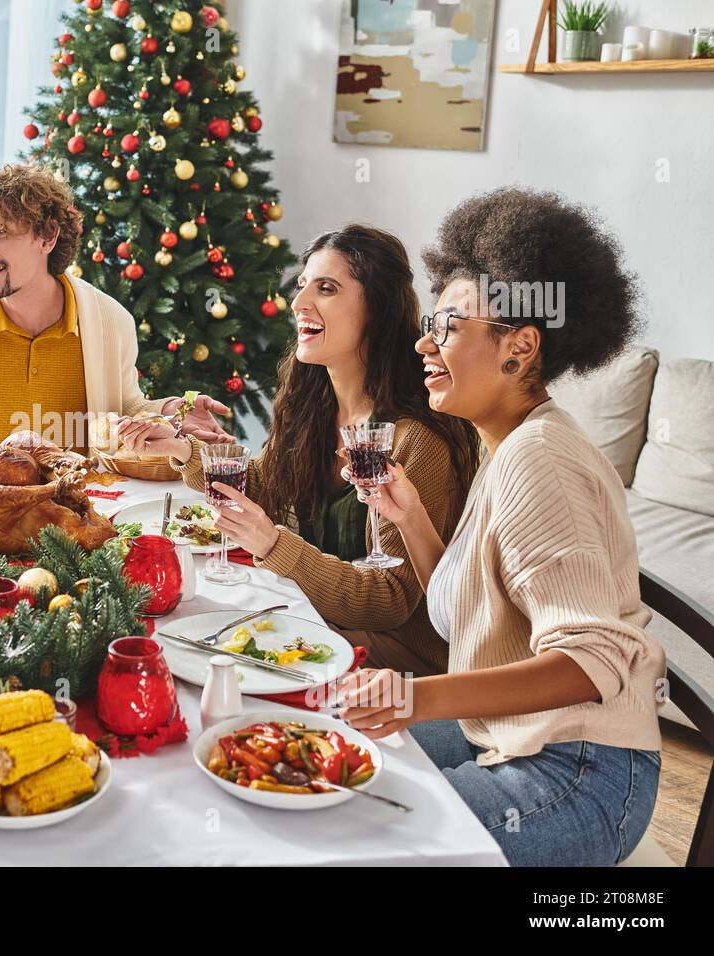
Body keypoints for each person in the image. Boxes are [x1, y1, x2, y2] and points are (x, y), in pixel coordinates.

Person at [337, 188, 665, 867]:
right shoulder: (508, 445)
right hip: (515, 736)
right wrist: (411, 517)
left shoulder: (538, 458)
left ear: (519, 348)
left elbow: (591, 664)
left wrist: (413, 696)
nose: (426, 342)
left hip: (577, 773)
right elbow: (468, 616)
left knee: (354, 837)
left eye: (450, 327)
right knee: (326, 764)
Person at [117, 225, 478, 675]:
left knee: (208, 651)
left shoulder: (414, 438)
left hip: (396, 660)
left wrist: (271, 542)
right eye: (302, 285)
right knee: (174, 631)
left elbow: (389, 602)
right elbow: (267, 487)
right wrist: (186, 450)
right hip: (318, 618)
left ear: (378, 308)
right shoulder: (313, 400)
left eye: (326, 288)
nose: (299, 302)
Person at [0, 162, 230, 453]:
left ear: (47, 237)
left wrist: (173, 411)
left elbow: (126, 408)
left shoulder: (110, 320)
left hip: (71, 506)